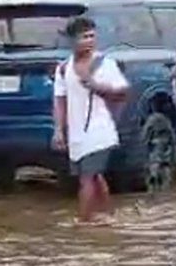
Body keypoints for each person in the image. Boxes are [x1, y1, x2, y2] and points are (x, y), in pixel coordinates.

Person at [52, 16, 129, 222]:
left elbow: (122, 92)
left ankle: (83, 222)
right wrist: (58, 130)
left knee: (87, 178)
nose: (90, 41)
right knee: (95, 176)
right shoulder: (63, 68)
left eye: (92, 36)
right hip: (77, 134)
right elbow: (60, 100)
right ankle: (108, 216)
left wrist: (97, 86)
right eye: (84, 37)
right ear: (72, 41)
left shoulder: (105, 64)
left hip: (99, 131)